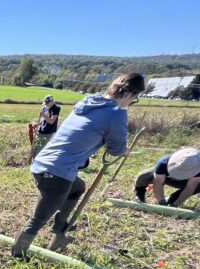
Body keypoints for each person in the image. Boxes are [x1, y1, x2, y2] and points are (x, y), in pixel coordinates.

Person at [11, 73, 145, 256]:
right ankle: (18, 257)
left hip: (42, 163)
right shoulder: (117, 113)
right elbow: (116, 149)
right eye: (134, 99)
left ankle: (60, 229)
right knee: (37, 219)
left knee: (78, 186)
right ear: (130, 94)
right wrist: (125, 150)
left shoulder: (89, 103)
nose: (131, 103)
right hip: (57, 172)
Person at [134, 147, 200, 208]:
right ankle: (140, 192)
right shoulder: (163, 163)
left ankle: (173, 199)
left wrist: (176, 204)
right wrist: (161, 202)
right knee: (144, 175)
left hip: (185, 182)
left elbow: (190, 188)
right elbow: (158, 183)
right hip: (168, 178)